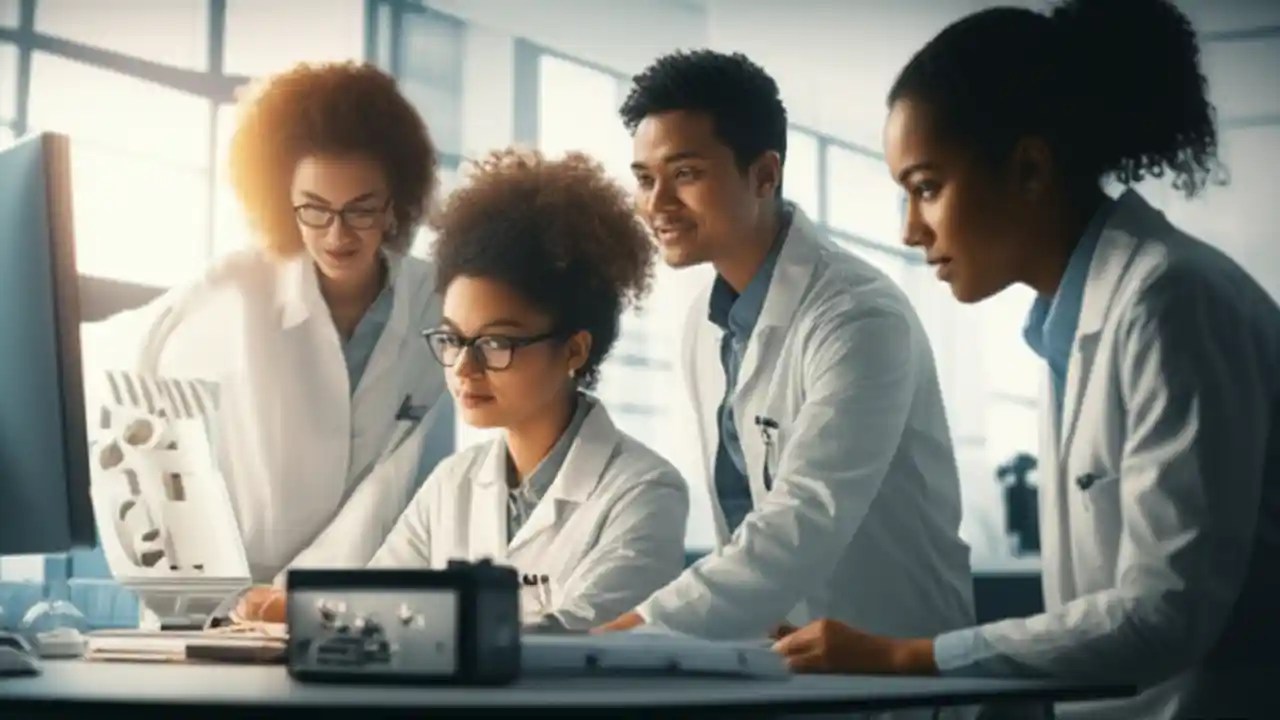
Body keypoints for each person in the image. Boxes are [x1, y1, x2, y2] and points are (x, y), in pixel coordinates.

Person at [773, 1, 1280, 718]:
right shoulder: (1076, 322)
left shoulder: (1170, 301)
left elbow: (1168, 612)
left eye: (926, 188)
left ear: (1030, 168)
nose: (911, 230)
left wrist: (905, 657)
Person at [596, 50, 975, 649]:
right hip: (781, 663)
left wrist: (636, 631)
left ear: (764, 175)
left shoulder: (858, 315)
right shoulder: (705, 322)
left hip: (893, 670)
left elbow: (805, 514)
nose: (656, 202)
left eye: (686, 173)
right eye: (645, 178)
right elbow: (742, 523)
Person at [238, 149, 689, 630]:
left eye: (496, 342)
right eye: (452, 338)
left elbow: (577, 638)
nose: (464, 368)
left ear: (575, 350)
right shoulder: (452, 484)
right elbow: (369, 606)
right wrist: (297, 609)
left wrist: (335, 615)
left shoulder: (644, 491)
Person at [81, 62, 450, 583]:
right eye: (314, 209)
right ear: (284, 201)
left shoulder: (434, 303)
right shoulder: (232, 290)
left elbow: (396, 480)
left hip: (361, 588)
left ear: (395, 206)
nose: (337, 234)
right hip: (231, 594)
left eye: (361, 210)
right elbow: (124, 395)